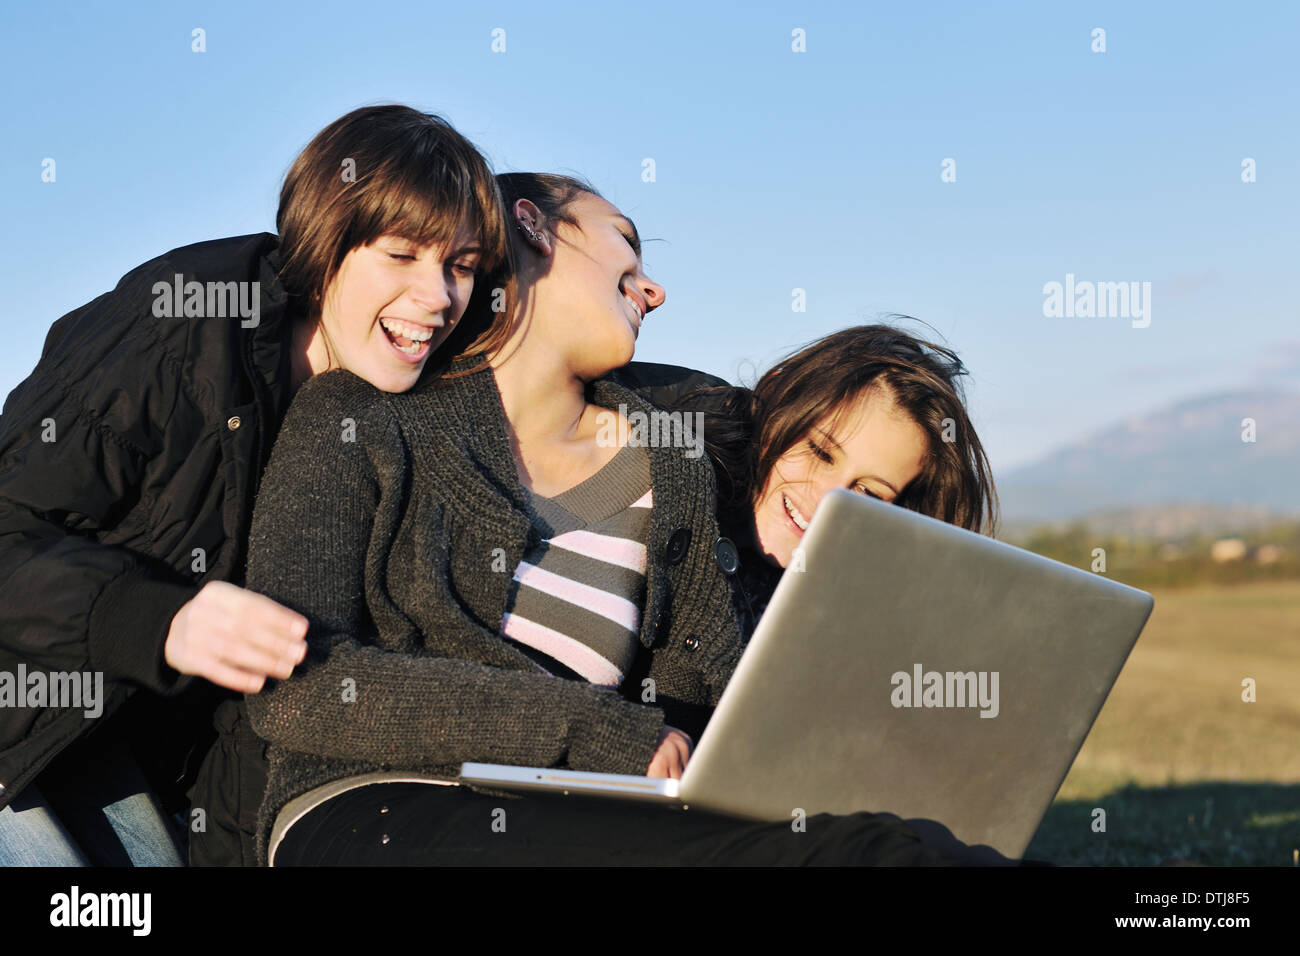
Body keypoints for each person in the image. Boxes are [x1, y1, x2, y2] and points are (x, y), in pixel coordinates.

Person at [240, 173, 998, 866]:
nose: (658, 289)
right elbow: (297, 685)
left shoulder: (678, 465)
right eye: (627, 243)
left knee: (905, 847)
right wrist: (592, 731)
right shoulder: (358, 417)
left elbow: (741, 643)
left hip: (597, 815)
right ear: (534, 227)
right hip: (376, 811)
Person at [0, 103, 508, 866]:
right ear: (326, 244)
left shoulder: (401, 396)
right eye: (402, 255)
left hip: (144, 763)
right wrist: (155, 620)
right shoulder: (180, 327)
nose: (437, 297)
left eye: (461, 266)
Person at [666, 324, 999, 638]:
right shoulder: (650, 471)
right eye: (820, 452)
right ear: (773, 392)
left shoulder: (849, 614)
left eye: (868, 492)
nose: (828, 500)